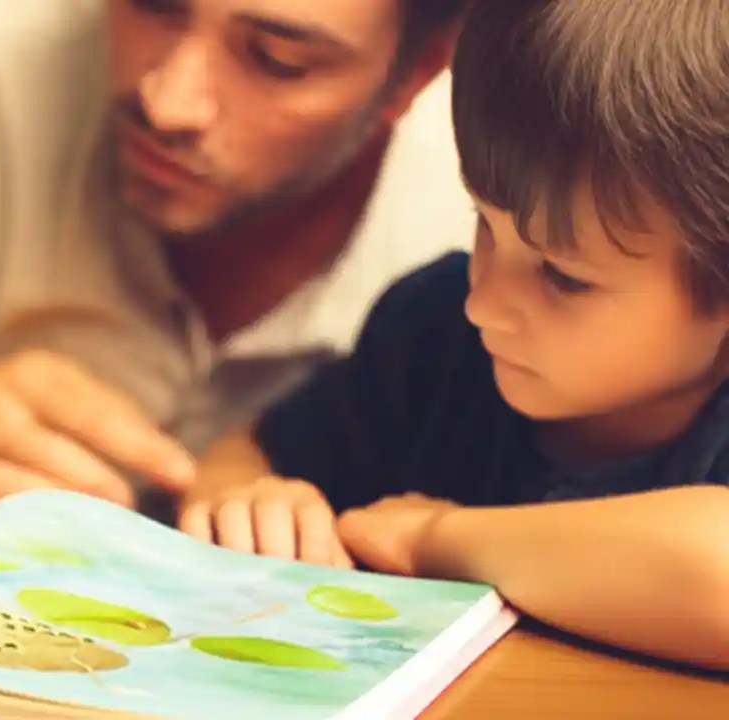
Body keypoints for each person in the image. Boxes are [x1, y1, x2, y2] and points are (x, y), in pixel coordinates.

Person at [180, 0, 729, 670]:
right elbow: (248, 450)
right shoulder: (432, 335)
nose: (486, 303)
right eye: (484, 224)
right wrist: (251, 498)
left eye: (563, 276)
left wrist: (434, 539)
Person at [0, 0, 473, 513]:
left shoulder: (499, 206)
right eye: (151, 6)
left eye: (276, 60)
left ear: (419, 74)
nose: (168, 103)